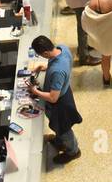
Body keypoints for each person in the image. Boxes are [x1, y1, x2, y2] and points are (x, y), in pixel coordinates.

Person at [27, 36, 83, 164]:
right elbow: (59, 63)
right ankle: (59, 140)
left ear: (46, 53)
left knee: (64, 129)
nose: (42, 57)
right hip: (64, 92)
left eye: (41, 55)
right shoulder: (62, 48)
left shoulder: (57, 71)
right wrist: (44, 67)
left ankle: (73, 151)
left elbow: (53, 98)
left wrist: (35, 91)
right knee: (59, 127)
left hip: (60, 104)